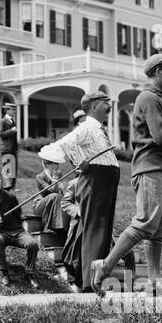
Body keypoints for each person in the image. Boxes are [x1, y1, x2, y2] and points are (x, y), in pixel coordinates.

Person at [91, 54, 162, 290]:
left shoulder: (158, 98)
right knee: (145, 224)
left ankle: (154, 281)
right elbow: (160, 137)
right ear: (157, 71)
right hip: (149, 169)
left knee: (158, 230)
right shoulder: (148, 98)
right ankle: (105, 266)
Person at [58, 88, 134, 291]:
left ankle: (95, 280)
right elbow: (67, 143)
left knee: (103, 230)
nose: (109, 105)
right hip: (95, 180)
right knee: (95, 231)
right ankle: (89, 283)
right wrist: (78, 162)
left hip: (105, 181)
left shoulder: (98, 128)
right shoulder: (88, 126)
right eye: (104, 101)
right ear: (93, 106)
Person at [0, 114, 20, 189]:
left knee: (13, 168)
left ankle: (12, 186)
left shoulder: (13, 121)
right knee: (6, 167)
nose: (14, 111)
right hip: (6, 148)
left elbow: (14, 137)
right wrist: (11, 131)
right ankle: (5, 186)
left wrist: (16, 147)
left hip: (13, 148)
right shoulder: (2, 121)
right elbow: (0, 134)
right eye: (12, 109)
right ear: (7, 110)